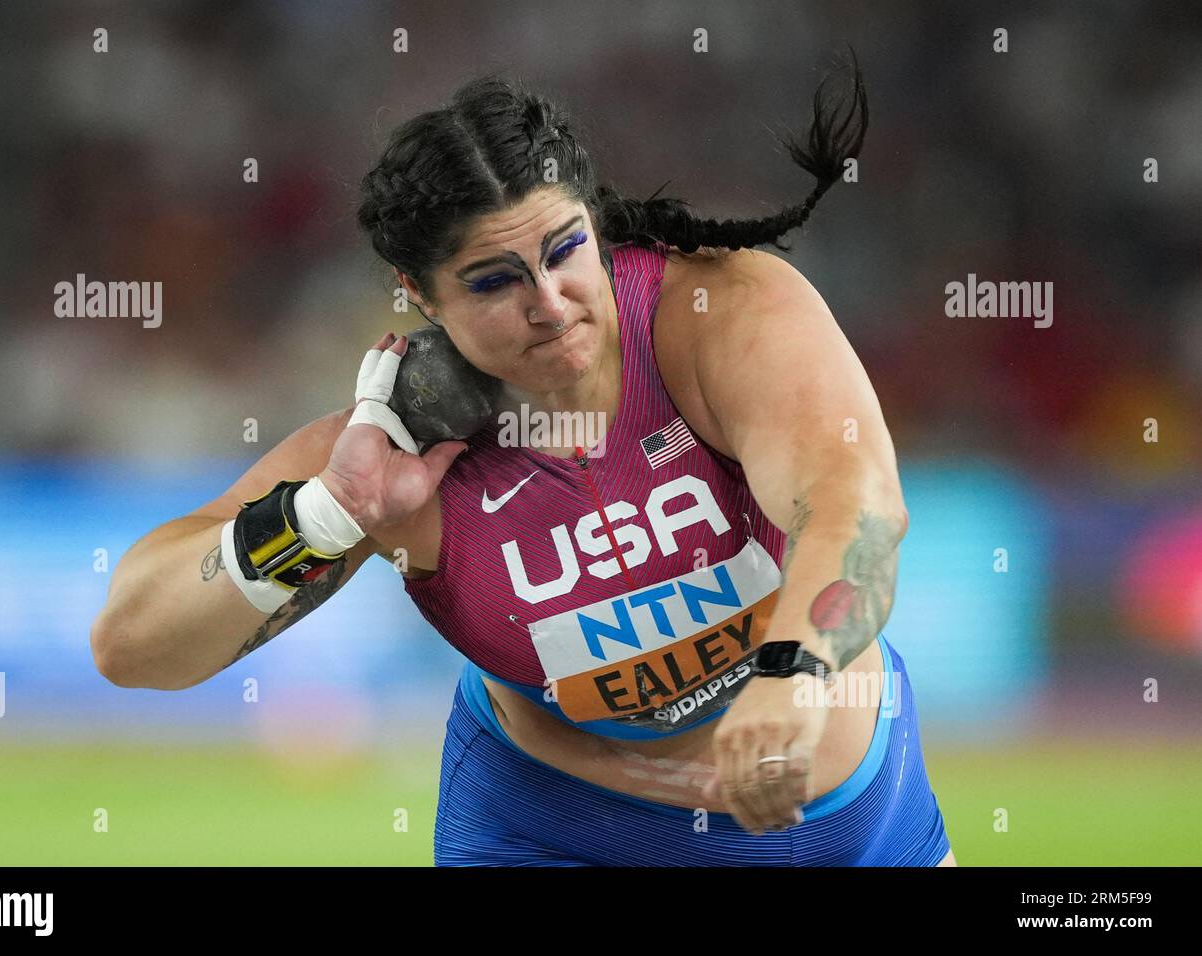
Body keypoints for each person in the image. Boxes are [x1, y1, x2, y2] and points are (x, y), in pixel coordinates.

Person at [91, 55, 956, 866]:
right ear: (418, 292)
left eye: (565, 250)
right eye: (493, 280)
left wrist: (795, 671)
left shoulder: (718, 314)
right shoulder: (400, 455)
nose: (549, 305)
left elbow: (858, 507)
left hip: (840, 822)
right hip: (551, 829)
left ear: (596, 222)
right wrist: (327, 512)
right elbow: (133, 648)